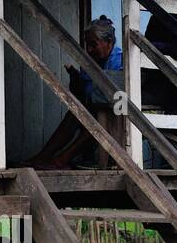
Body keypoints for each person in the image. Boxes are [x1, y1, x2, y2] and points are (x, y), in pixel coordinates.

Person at [26, 17, 123, 169]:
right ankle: (43, 157)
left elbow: (113, 95)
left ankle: (61, 159)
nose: (89, 49)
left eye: (93, 44)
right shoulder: (89, 60)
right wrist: (75, 80)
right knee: (75, 113)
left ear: (109, 42)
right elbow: (84, 94)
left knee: (95, 118)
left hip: (115, 111)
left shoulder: (119, 60)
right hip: (96, 107)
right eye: (87, 44)